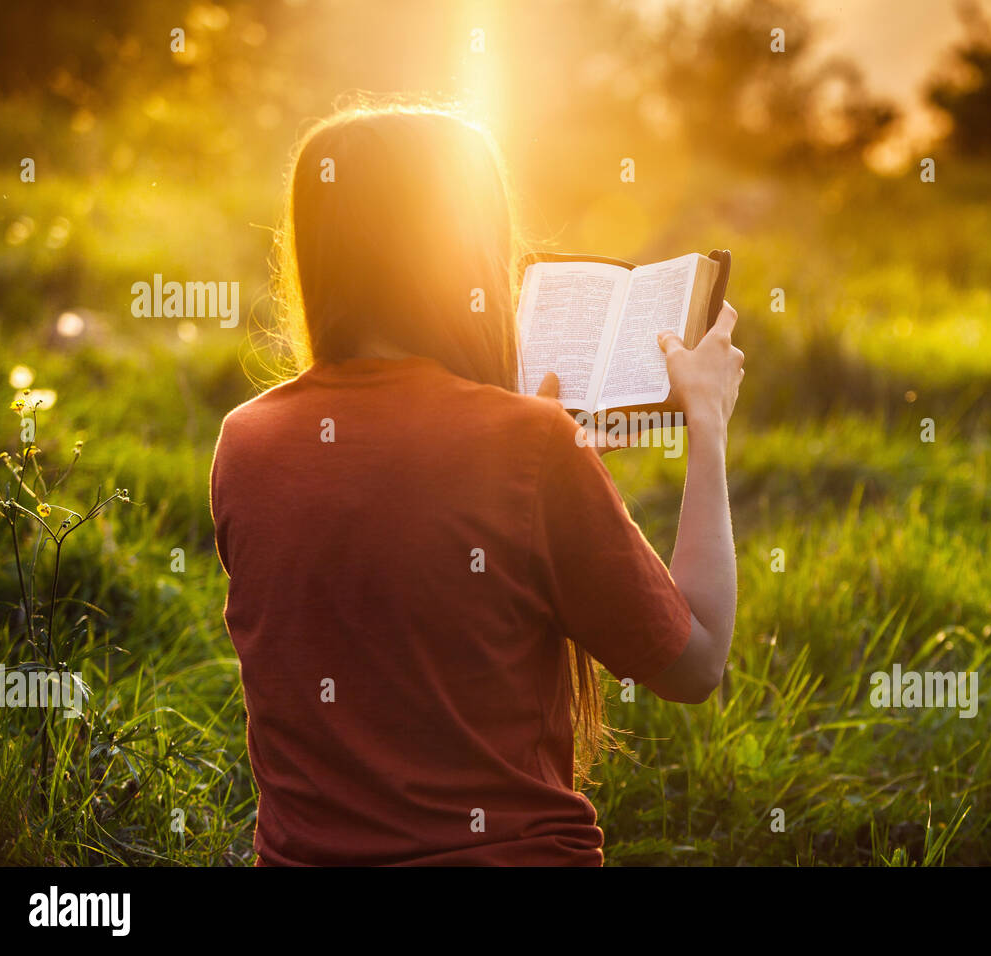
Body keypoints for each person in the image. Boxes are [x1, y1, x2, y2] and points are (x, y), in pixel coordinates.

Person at [210, 104, 743, 865]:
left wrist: (533, 455)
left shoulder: (245, 442)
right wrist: (709, 426)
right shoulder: (528, 445)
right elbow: (697, 662)